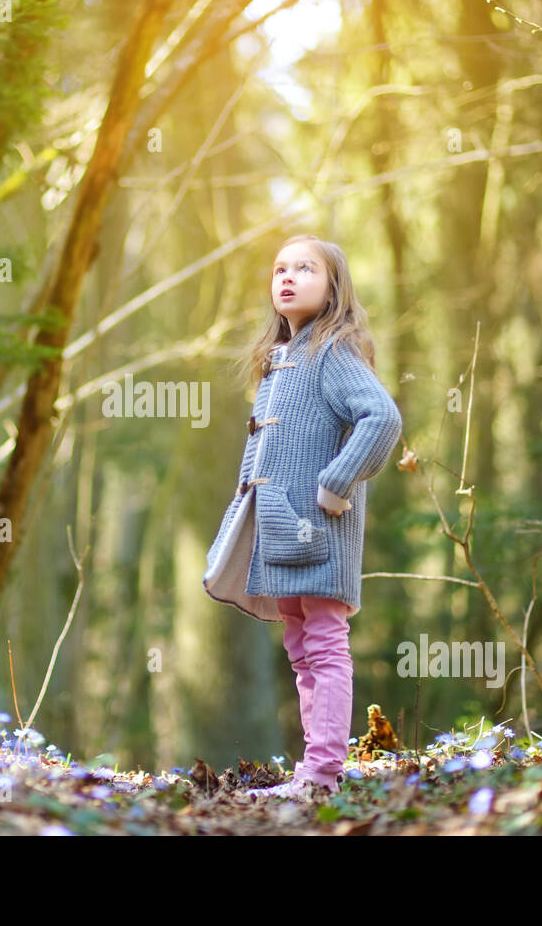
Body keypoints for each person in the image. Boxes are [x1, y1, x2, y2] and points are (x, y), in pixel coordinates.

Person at [203, 234, 403, 801]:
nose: (288, 277)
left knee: (324, 643)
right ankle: (313, 774)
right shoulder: (280, 361)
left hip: (319, 529)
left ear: (333, 285)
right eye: (280, 269)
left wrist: (336, 484)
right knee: (300, 648)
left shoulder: (331, 352)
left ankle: (321, 775)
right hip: (283, 528)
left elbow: (382, 419)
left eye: (306, 268)